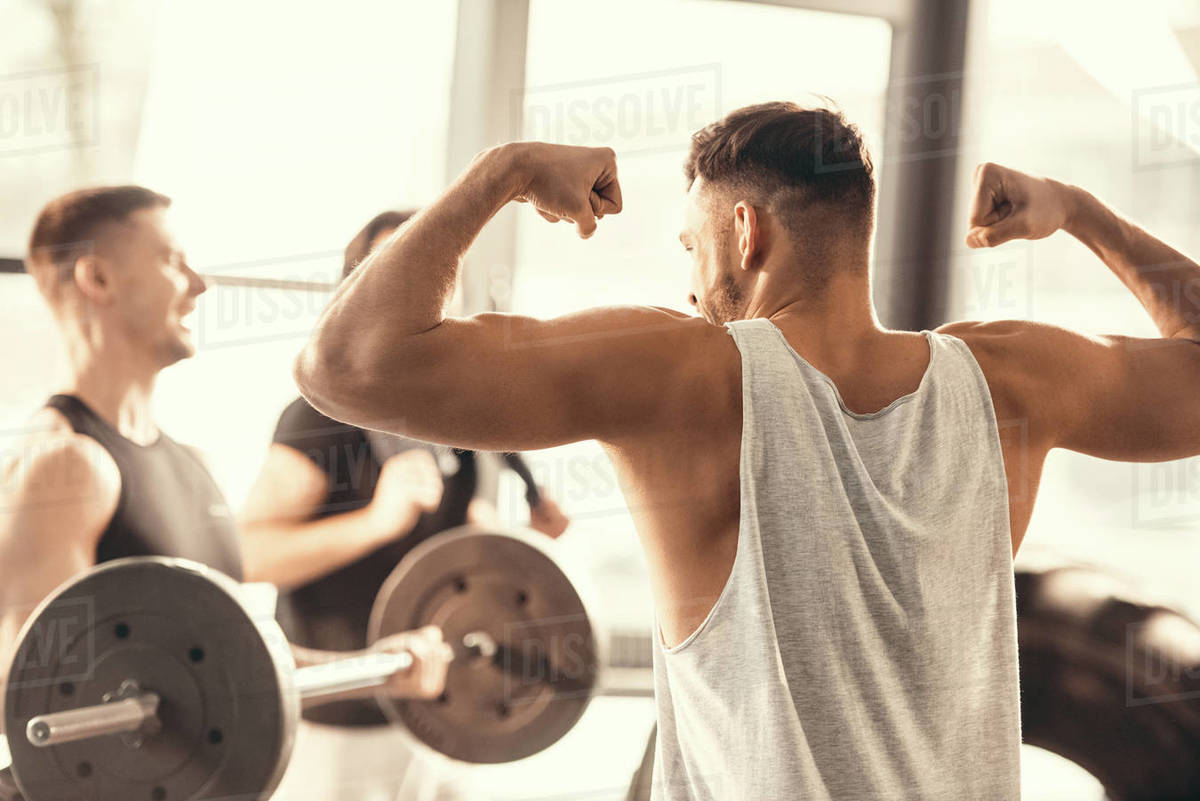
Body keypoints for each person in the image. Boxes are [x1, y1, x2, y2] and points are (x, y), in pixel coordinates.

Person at [294, 100, 1200, 800]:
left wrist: (506, 170)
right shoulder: (1012, 378)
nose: (691, 289)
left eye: (692, 246)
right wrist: (1082, 214)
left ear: (744, 232)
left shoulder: (681, 374)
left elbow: (344, 364)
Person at [0, 186, 451, 751]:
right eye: (171, 260)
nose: (199, 283)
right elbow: (21, 696)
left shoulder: (194, 465)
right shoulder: (67, 467)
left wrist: (372, 666)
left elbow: (234, 660)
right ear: (98, 279)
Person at [238, 209, 570, 798]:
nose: (418, 292)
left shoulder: (454, 421)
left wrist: (522, 547)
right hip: (341, 722)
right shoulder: (319, 418)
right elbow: (249, 554)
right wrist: (375, 522)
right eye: (397, 273)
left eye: (435, 273)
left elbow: (460, 546)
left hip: (444, 709)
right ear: (356, 294)